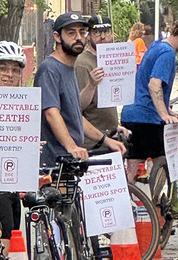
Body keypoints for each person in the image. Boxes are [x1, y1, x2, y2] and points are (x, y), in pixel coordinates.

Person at [121, 14, 178, 188]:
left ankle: (127, 207)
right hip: (147, 116)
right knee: (163, 160)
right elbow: (154, 84)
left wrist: (167, 108)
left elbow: (145, 82)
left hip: (131, 113)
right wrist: (164, 114)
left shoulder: (156, 46)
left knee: (131, 168)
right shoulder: (168, 53)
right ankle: (156, 206)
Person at [34, 11, 125, 168]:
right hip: (55, 161)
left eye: (82, 32)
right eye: (71, 33)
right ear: (57, 36)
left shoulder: (69, 68)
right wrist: (71, 146)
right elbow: (51, 113)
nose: (78, 38)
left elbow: (76, 116)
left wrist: (105, 140)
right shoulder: (50, 69)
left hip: (71, 159)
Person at [0, 40, 27, 255]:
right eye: (2, 68)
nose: (9, 75)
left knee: (11, 238)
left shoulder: (24, 104)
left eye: (14, 70)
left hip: (11, 183)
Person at [75, 14, 130, 143]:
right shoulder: (82, 63)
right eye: (97, 32)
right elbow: (77, 106)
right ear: (88, 35)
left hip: (109, 136)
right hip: (92, 142)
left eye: (106, 31)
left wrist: (115, 127)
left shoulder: (107, 60)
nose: (103, 37)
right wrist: (92, 85)